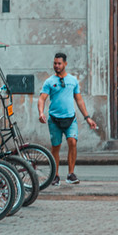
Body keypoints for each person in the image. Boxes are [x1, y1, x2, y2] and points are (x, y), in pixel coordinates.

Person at [36, 52, 98, 186]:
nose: (56, 66)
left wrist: (87, 118)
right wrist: (41, 113)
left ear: (65, 64)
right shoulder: (49, 81)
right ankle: (55, 175)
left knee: (72, 142)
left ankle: (71, 174)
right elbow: (42, 98)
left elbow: (79, 100)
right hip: (54, 120)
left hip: (70, 119)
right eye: (55, 63)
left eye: (59, 63)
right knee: (56, 147)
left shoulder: (73, 80)